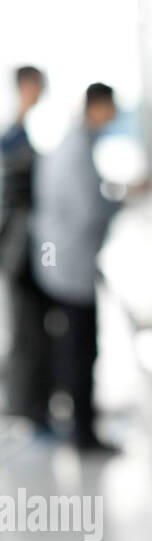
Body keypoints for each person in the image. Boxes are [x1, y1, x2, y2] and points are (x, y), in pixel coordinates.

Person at [29, 82, 122, 455]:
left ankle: (78, 424)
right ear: (97, 107)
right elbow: (89, 212)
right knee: (82, 350)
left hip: (60, 263)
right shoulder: (78, 149)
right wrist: (123, 201)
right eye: (110, 108)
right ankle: (84, 435)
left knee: (72, 348)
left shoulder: (68, 144)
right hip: (71, 266)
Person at [0, 66, 54, 435]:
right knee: (27, 330)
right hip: (18, 251)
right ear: (25, 86)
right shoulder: (11, 138)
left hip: (22, 248)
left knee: (31, 329)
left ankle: (32, 406)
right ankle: (28, 410)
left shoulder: (20, 134)